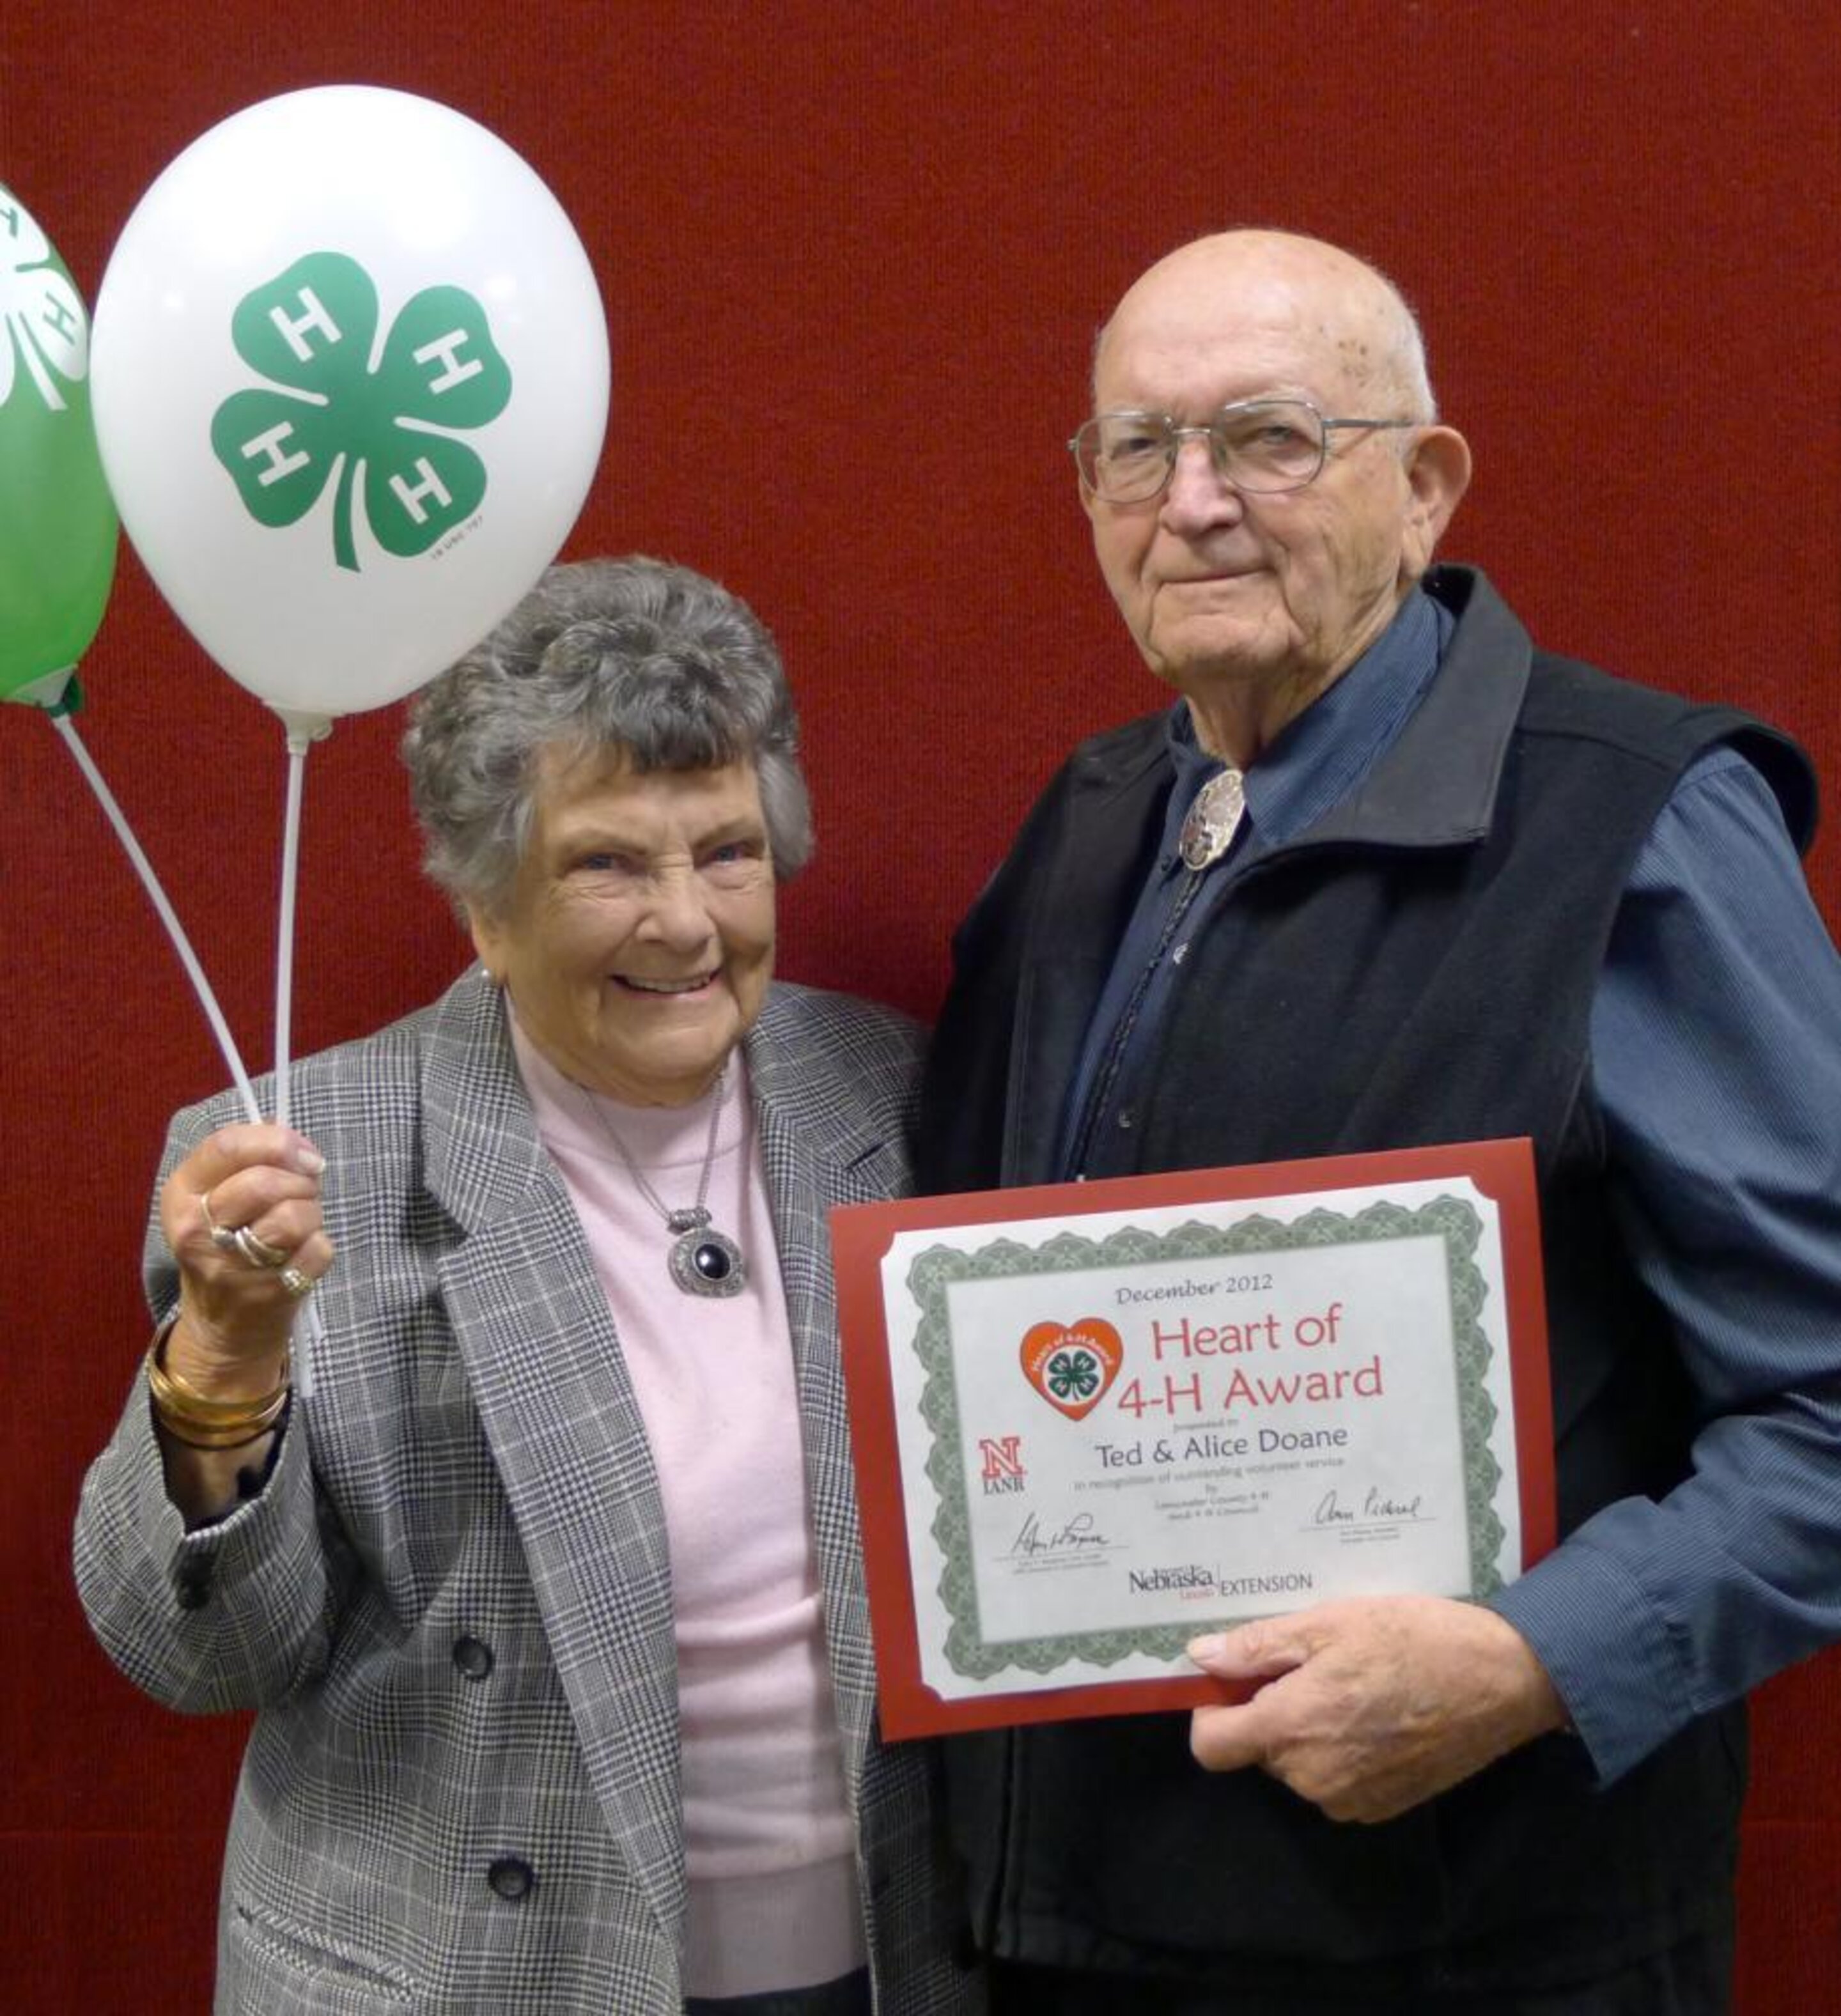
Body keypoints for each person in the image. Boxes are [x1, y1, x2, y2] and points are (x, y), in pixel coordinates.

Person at [917, 229, 1841, 2014]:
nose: (1192, 503)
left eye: (1269, 438)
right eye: (1137, 447)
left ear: (1423, 490)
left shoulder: (1639, 830)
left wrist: (1528, 1658)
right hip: (1073, 1938)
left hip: (1485, 1948)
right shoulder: (1090, 826)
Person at [75, 556, 984, 2016]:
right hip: (479, 1975)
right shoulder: (302, 1166)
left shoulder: (895, 1088)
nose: (687, 921)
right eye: (609, 862)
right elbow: (199, 1653)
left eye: (729, 850)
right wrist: (223, 1361)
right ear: (486, 909)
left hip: (885, 1964)